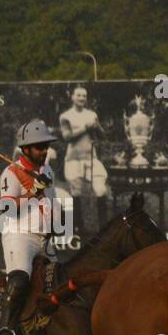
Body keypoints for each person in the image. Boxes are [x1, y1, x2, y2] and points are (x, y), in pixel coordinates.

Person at [0, 120, 61, 335]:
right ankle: (5, 329)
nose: (44, 150)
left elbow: (49, 202)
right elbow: (6, 209)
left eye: (46, 146)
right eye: (39, 147)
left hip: (44, 239)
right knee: (21, 279)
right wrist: (32, 191)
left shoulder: (47, 170)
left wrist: (56, 221)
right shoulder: (11, 173)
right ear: (25, 149)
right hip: (20, 235)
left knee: (61, 282)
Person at [59, 85, 109, 229]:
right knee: (76, 192)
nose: (82, 98)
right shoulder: (65, 116)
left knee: (101, 190)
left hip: (91, 158)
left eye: (84, 96)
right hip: (73, 159)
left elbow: (102, 135)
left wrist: (97, 126)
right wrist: (85, 128)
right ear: (72, 97)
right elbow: (67, 137)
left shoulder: (92, 114)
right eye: (79, 95)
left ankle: (104, 228)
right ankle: (78, 227)